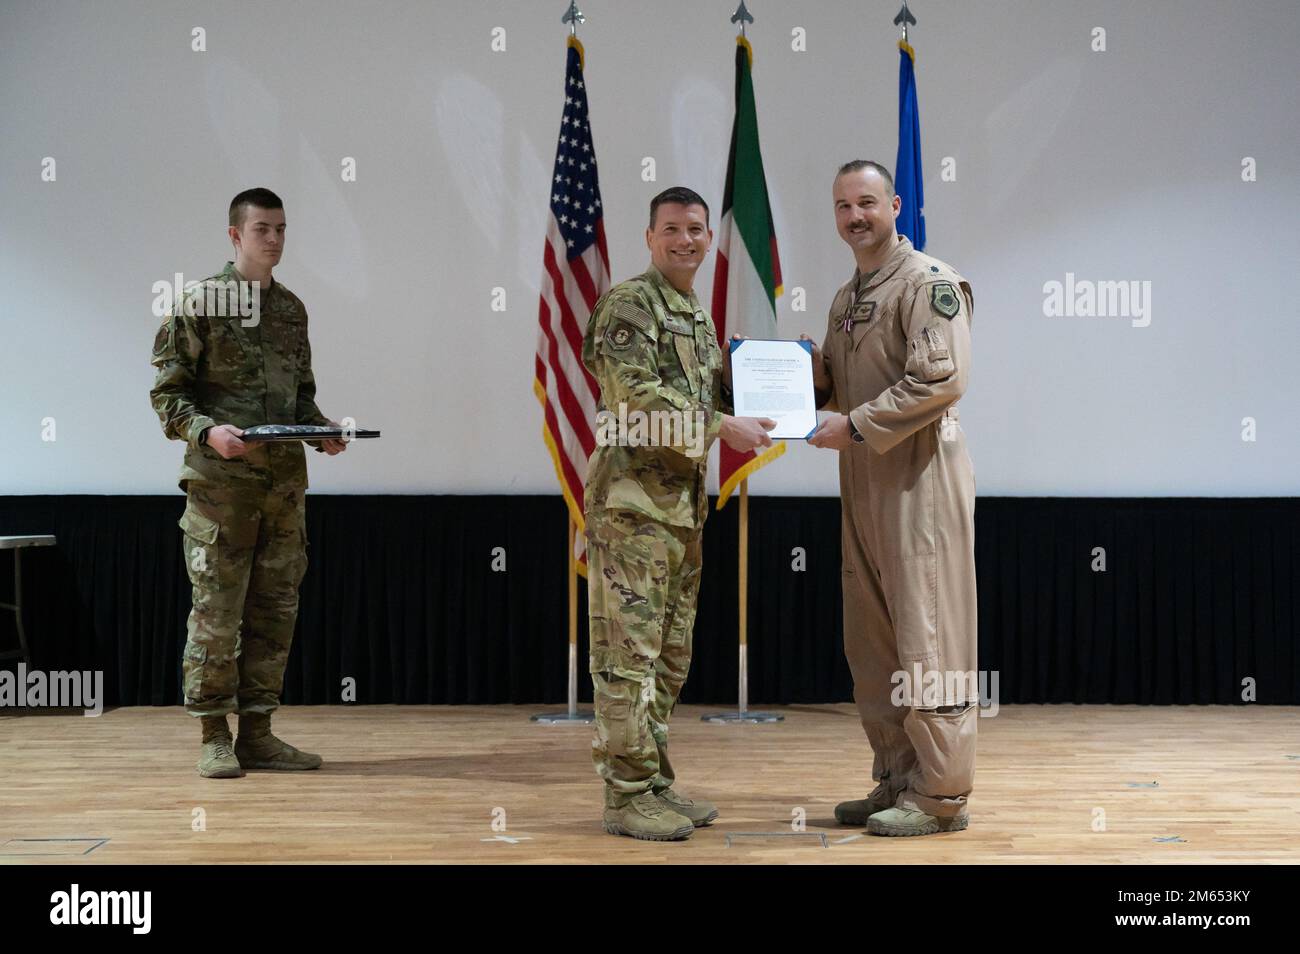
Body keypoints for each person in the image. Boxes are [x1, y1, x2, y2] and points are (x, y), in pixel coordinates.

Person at [582, 186, 775, 840]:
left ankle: (654, 778)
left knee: (668, 659)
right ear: (650, 236)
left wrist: (785, 371)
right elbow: (632, 400)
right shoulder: (630, 304)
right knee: (626, 659)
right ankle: (626, 794)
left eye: (696, 228)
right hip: (632, 511)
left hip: (680, 513)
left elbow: (708, 390)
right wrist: (723, 425)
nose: (686, 239)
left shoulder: (693, 314)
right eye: (672, 229)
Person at [806, 160, 978, 836]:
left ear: (895, 205)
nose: (855, 216)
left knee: (926, 636)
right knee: (874, 641)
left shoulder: (929, 283)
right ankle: (898, 778)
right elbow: (832, 385)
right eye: (844, 205)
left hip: (919, 484)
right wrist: (794, 375)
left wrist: (852, 426)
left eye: (867, 202)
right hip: (864, 484)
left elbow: (941, 380)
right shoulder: (848, 297)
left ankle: (941, 796)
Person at [150, 187, 345, 778]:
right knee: (216, 612)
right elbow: (168, 396)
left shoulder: (291, 310)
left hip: (283, 490)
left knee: (274, 611)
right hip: (222, 490)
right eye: (263, 229)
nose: (275, 239)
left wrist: (321, 431)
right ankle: (214, 734)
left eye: (282, 228)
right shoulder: (198, 304)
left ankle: (258, 732)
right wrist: (209, 432)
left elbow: (300, 398)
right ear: (235, 235)